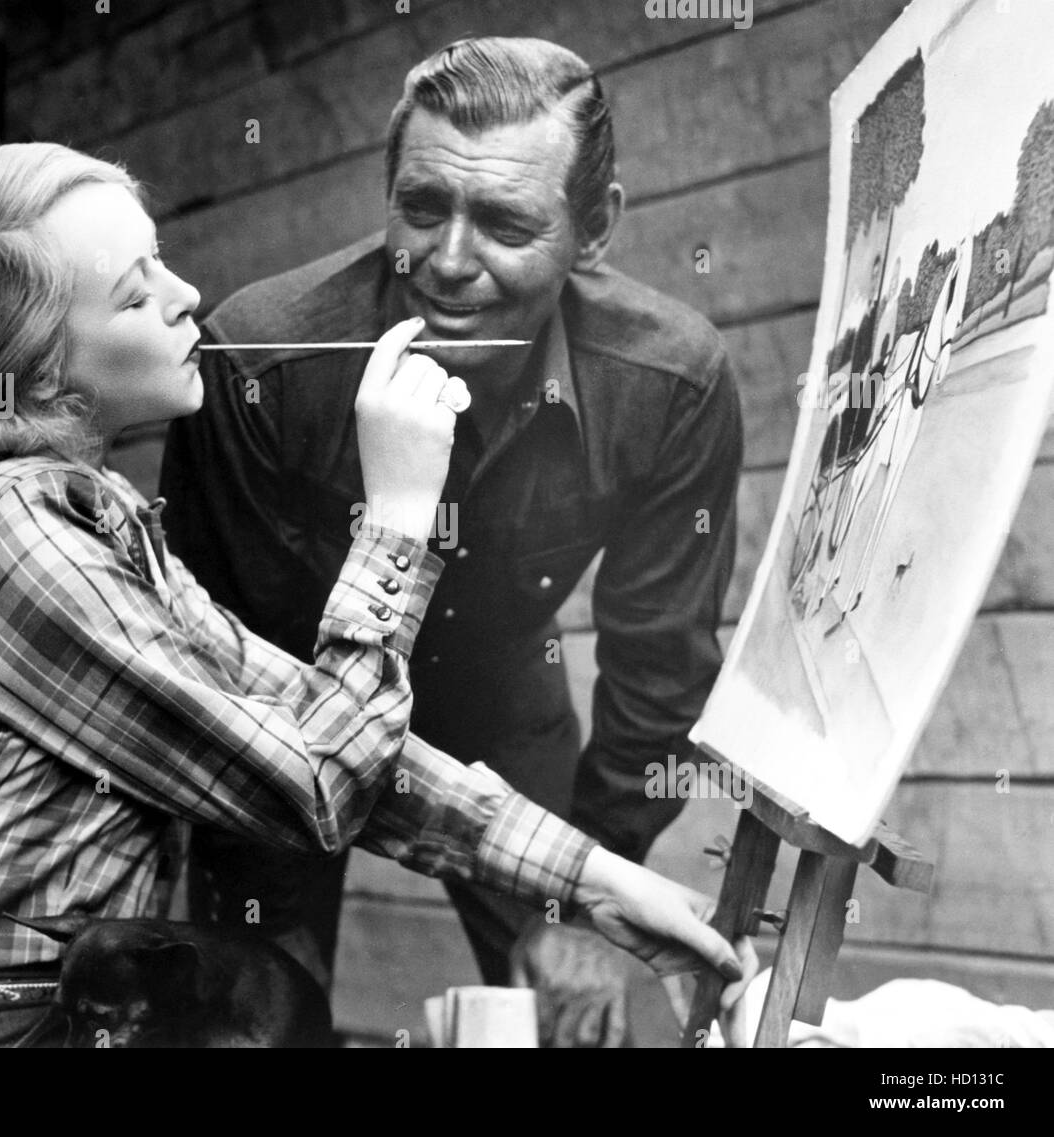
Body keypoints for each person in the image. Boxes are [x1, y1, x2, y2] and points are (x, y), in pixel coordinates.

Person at [0, 141, 751, 1048]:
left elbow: (308, 723)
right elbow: (318, 785)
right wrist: (396, 512)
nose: (187, 295)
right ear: (33, 363)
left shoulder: (78, 516)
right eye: (136, 289)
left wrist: (594, 878)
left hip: (60, 1010)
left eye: (162, 261)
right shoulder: (8, 531)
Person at [158, 36, 745, 1025]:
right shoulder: (256, 359)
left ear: (593, 228)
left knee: (573, 1007)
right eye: (421, 208)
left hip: (501, 696)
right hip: (278, 713)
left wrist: (588, 892)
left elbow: (661, 665)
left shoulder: (670, 385)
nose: (448, 260)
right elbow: (222, 671)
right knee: (250, 1018)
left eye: (507, 223)